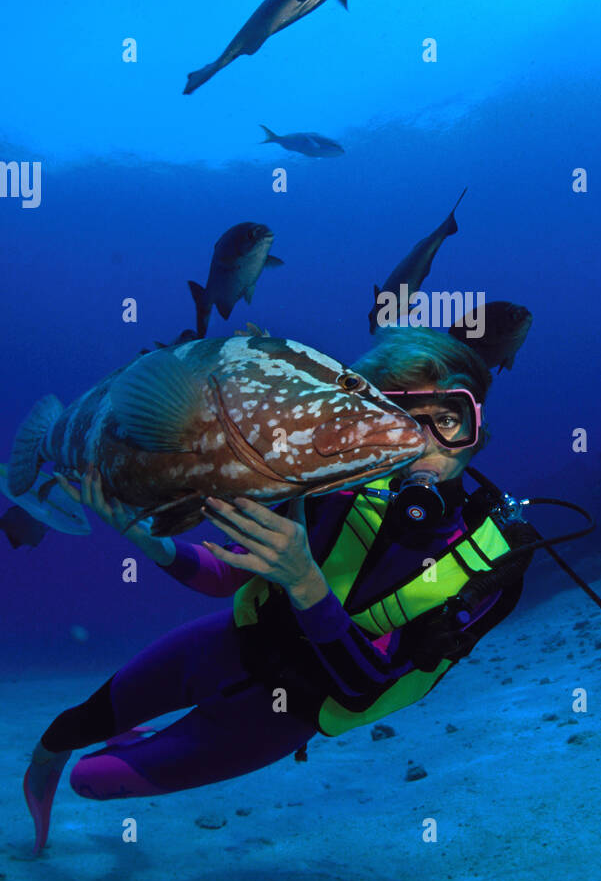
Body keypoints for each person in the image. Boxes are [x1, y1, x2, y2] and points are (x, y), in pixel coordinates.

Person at [23, 329, 536, 854]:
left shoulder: (491, 562)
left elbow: (366, 688)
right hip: (230, 639)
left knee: (93, 779)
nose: (424, 443)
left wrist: (306, 582)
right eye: (403, 415)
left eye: (448, 421)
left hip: (288, 712)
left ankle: (118, 752)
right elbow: (225, 576)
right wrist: (146, 540)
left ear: (478, 435)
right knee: (66, 730)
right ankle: (58, 758)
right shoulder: (327, 487)